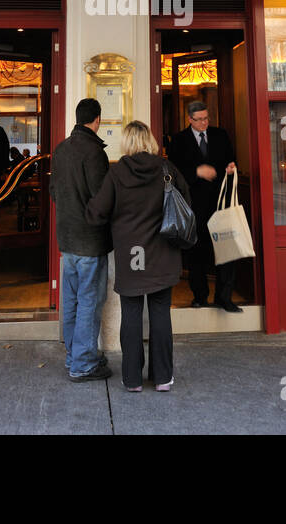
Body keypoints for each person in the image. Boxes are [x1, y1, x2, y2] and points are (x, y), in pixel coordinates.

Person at [86, 120, 188, 392]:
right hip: (162, 253)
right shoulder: (167, 169)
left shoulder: (117, 173)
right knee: (160, 314)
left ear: (127, 142)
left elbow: (97, 212)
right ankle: (163, 378)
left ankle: (132, 380)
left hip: (132, 255)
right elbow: (186, 204)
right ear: (150, 141)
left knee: (131, 315)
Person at [49, 98, 113, 382]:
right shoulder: (94, 152)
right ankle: (83, 364)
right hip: (90, 239)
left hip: (67, 237)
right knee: (89, 300)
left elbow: (54, 191)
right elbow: (101, 198)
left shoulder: (61, 150)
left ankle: (73, 356)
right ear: (96, 120)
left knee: (72, 300)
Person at [169, 100, 240, 312]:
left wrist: (231, 167)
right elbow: (174, 171)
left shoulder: (220, 135)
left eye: (206, 119)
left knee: (226, 251)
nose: (204, 123)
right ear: (189, 119)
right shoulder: (179, 140)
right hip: (194, 205)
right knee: (197, 253)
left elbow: (231, 160)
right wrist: (197, 172)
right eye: (199, 120)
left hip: (221, 204)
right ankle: (199, 296)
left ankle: (224, 297)